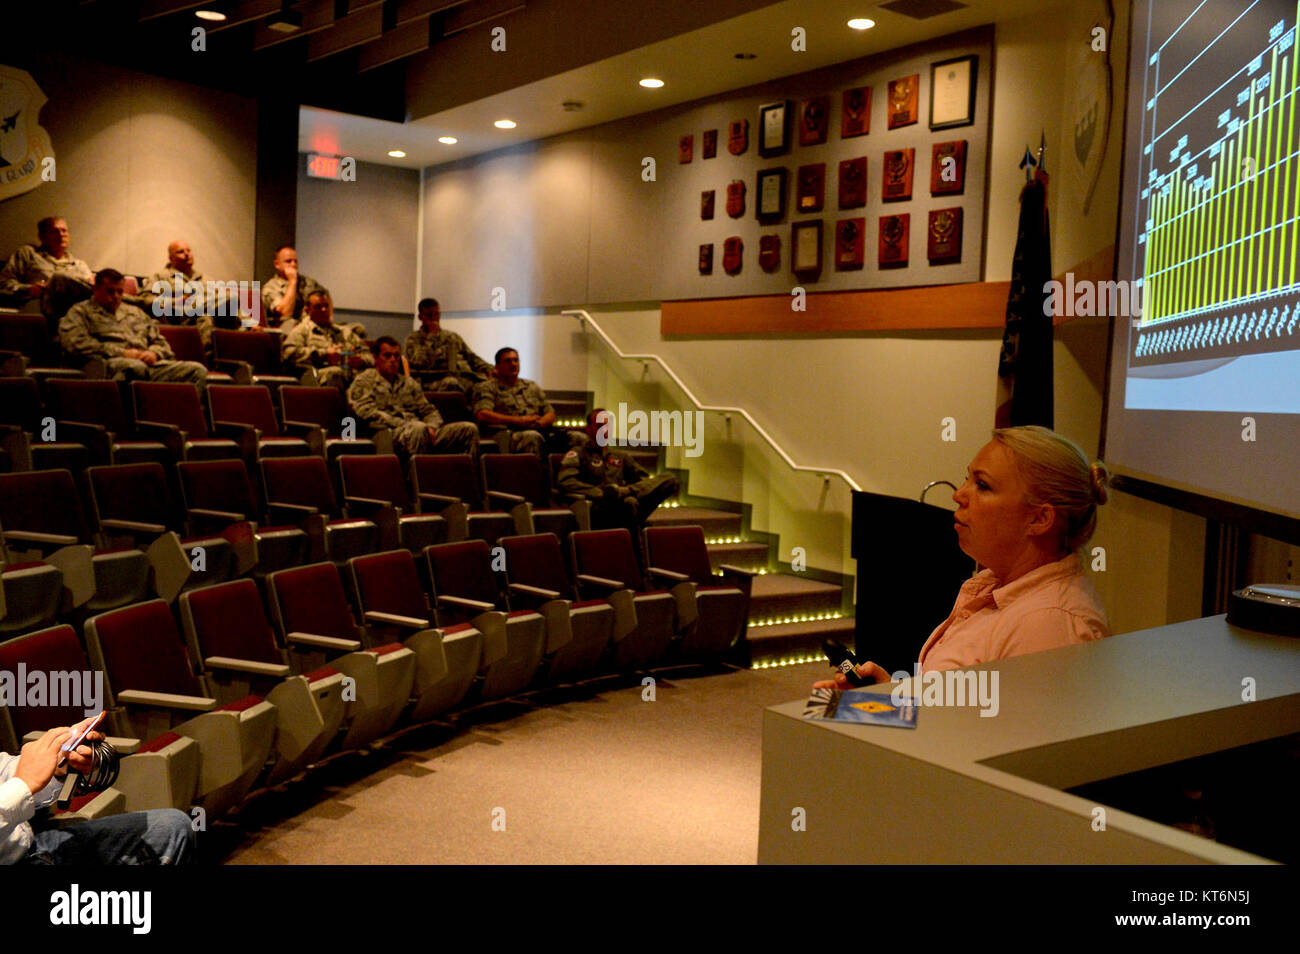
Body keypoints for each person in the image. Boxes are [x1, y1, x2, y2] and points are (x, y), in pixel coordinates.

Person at [817, 426, 1110, 688]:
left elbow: (1008, 745)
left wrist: (878, 716)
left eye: (982, 485)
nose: (959, 495)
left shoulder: (1049, 625)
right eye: (966, 479)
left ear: (1040, 518)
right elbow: (960, 715)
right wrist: (889, 697)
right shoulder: (991, 583)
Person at [2, 718, 194, 864]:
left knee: (173, 827)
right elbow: (21, 784)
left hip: (27, 845)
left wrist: (56, 763)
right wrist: (24, 783)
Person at [58, 268, 207, 384]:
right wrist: (122, 353)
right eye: (110, 291)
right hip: (108, 366)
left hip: (147, 365)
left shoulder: (135, 312)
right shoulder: (80, 311)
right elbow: (74, 344)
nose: (116, 296)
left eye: (120, 292)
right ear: (95, 289)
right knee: (134, 368)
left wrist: (154, 353)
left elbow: (160, 343)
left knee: (196, 371)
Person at [348, 336, 479, 457]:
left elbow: (428, 410)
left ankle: (467, 478)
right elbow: (366, 412)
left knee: (468, 429)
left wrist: (432, 426)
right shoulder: (364, 381)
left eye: (396, 356)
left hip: (420, 430)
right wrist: (407, 424)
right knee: (418, 428)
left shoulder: (408, 383)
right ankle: (417, 479)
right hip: (388, 433)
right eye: (387, 356)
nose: (393, 360)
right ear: (376, 358)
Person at [558, 408, 680, 530]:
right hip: (597, 506)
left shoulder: (620, 456)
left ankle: (622, 493)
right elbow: (566, 481)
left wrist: (625, 491)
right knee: (629, 503)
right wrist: (599, 493)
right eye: (599, 426)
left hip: (624, 499)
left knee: (670, 480)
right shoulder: (578, 453)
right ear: (588, 429)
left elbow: (644, 481)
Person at [0, 216, 94, 319]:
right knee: (58, 278)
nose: (61, 235)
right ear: (42, 236)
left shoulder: (79, 265)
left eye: (64, 231)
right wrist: (28, 290)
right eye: (54, 231)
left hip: (74, 314)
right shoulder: (29, 254)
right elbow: (3, 283)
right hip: (39, 310)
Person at [472, 347, 555, 455]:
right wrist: (519, 420)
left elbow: (549, 412)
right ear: (497, 366)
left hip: (539, 430)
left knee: (577, 437)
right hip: (508, 434)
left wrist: (541, 422)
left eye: (516, 360)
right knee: (531, 437)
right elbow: (483, 414)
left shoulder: (531, 386)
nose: (513, 364)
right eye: (508, 361)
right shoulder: (487, 387)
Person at [142, 240, 224, 349]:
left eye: (188, 250)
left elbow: (228, 304)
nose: (187, 254)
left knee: (214, 310)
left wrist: (247, 323)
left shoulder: (206, 279)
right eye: (180, 252)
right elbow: (145, 299)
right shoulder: (161, 277)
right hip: (178, 318)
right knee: (226, 299)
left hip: (207, 317)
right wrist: (176, 301)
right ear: (171, 258)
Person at [282, 290, 371, 389]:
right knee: (335, 373)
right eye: (318, 307)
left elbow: (369, 355)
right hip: (318, 377)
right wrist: (325, 355)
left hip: (350, 375)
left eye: (326, 306)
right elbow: (289, 353)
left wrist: (360, 360)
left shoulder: (344, 332)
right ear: (307, 310)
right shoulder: (301, 331)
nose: (324, 310)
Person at [404, 298, 493, 395]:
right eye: (429, 315)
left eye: (436, 314)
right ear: (421, 317)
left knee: (490, 384)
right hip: (436, 381)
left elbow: (472, 357)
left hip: (465, 376)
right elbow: (421, 362)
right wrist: (432, 338)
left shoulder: (451, 336)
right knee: (451, 383)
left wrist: (491, 369)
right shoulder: (413, 340)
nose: (434, 318)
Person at [260, 245, 324, 332]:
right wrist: (292, 281)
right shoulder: (271, 287)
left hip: (312, 326)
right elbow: (285, 312)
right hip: (287, 329)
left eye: (295, 261)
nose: (293, 264)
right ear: (277, 264)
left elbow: (325, 303)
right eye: (288, 261)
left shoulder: (308, 282)